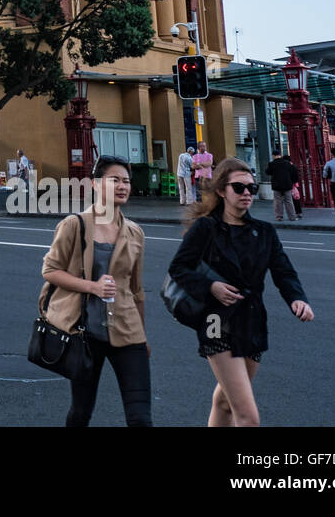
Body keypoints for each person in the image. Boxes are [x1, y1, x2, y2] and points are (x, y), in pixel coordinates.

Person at [167, 157, 313, 427]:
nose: (247, 193)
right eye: (239, 187)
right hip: (216, 322)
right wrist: (211, 286)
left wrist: (297, 299)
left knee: (224, 402)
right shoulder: (206, 228)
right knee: (247, 417)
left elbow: (284, 271)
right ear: (221, 191)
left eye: (252, 188)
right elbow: (179, 268)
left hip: (252, 321)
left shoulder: (264, 231)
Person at [40, 155, 151, 427]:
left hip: (128, 331)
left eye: (126, 181)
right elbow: (50, 271)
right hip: (85, 333)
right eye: (115, 180)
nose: (123, 186)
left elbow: (136, 290)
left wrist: (143, 335)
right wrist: (93, 287)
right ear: (95, 184)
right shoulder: (74, 225)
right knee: (81, 413)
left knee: (140, 418)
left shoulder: (135, 233)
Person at [266, 154, 299, 223]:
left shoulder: (272, 164)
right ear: (280, 155)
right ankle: (292, 217)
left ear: (273, 156)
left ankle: (279, 217)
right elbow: (292, 171)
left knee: (278, 201)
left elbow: (268, 172)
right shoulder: (287, 163)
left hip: (276, 185)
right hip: (287, 184)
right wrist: (293, 181)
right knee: (289, 201)